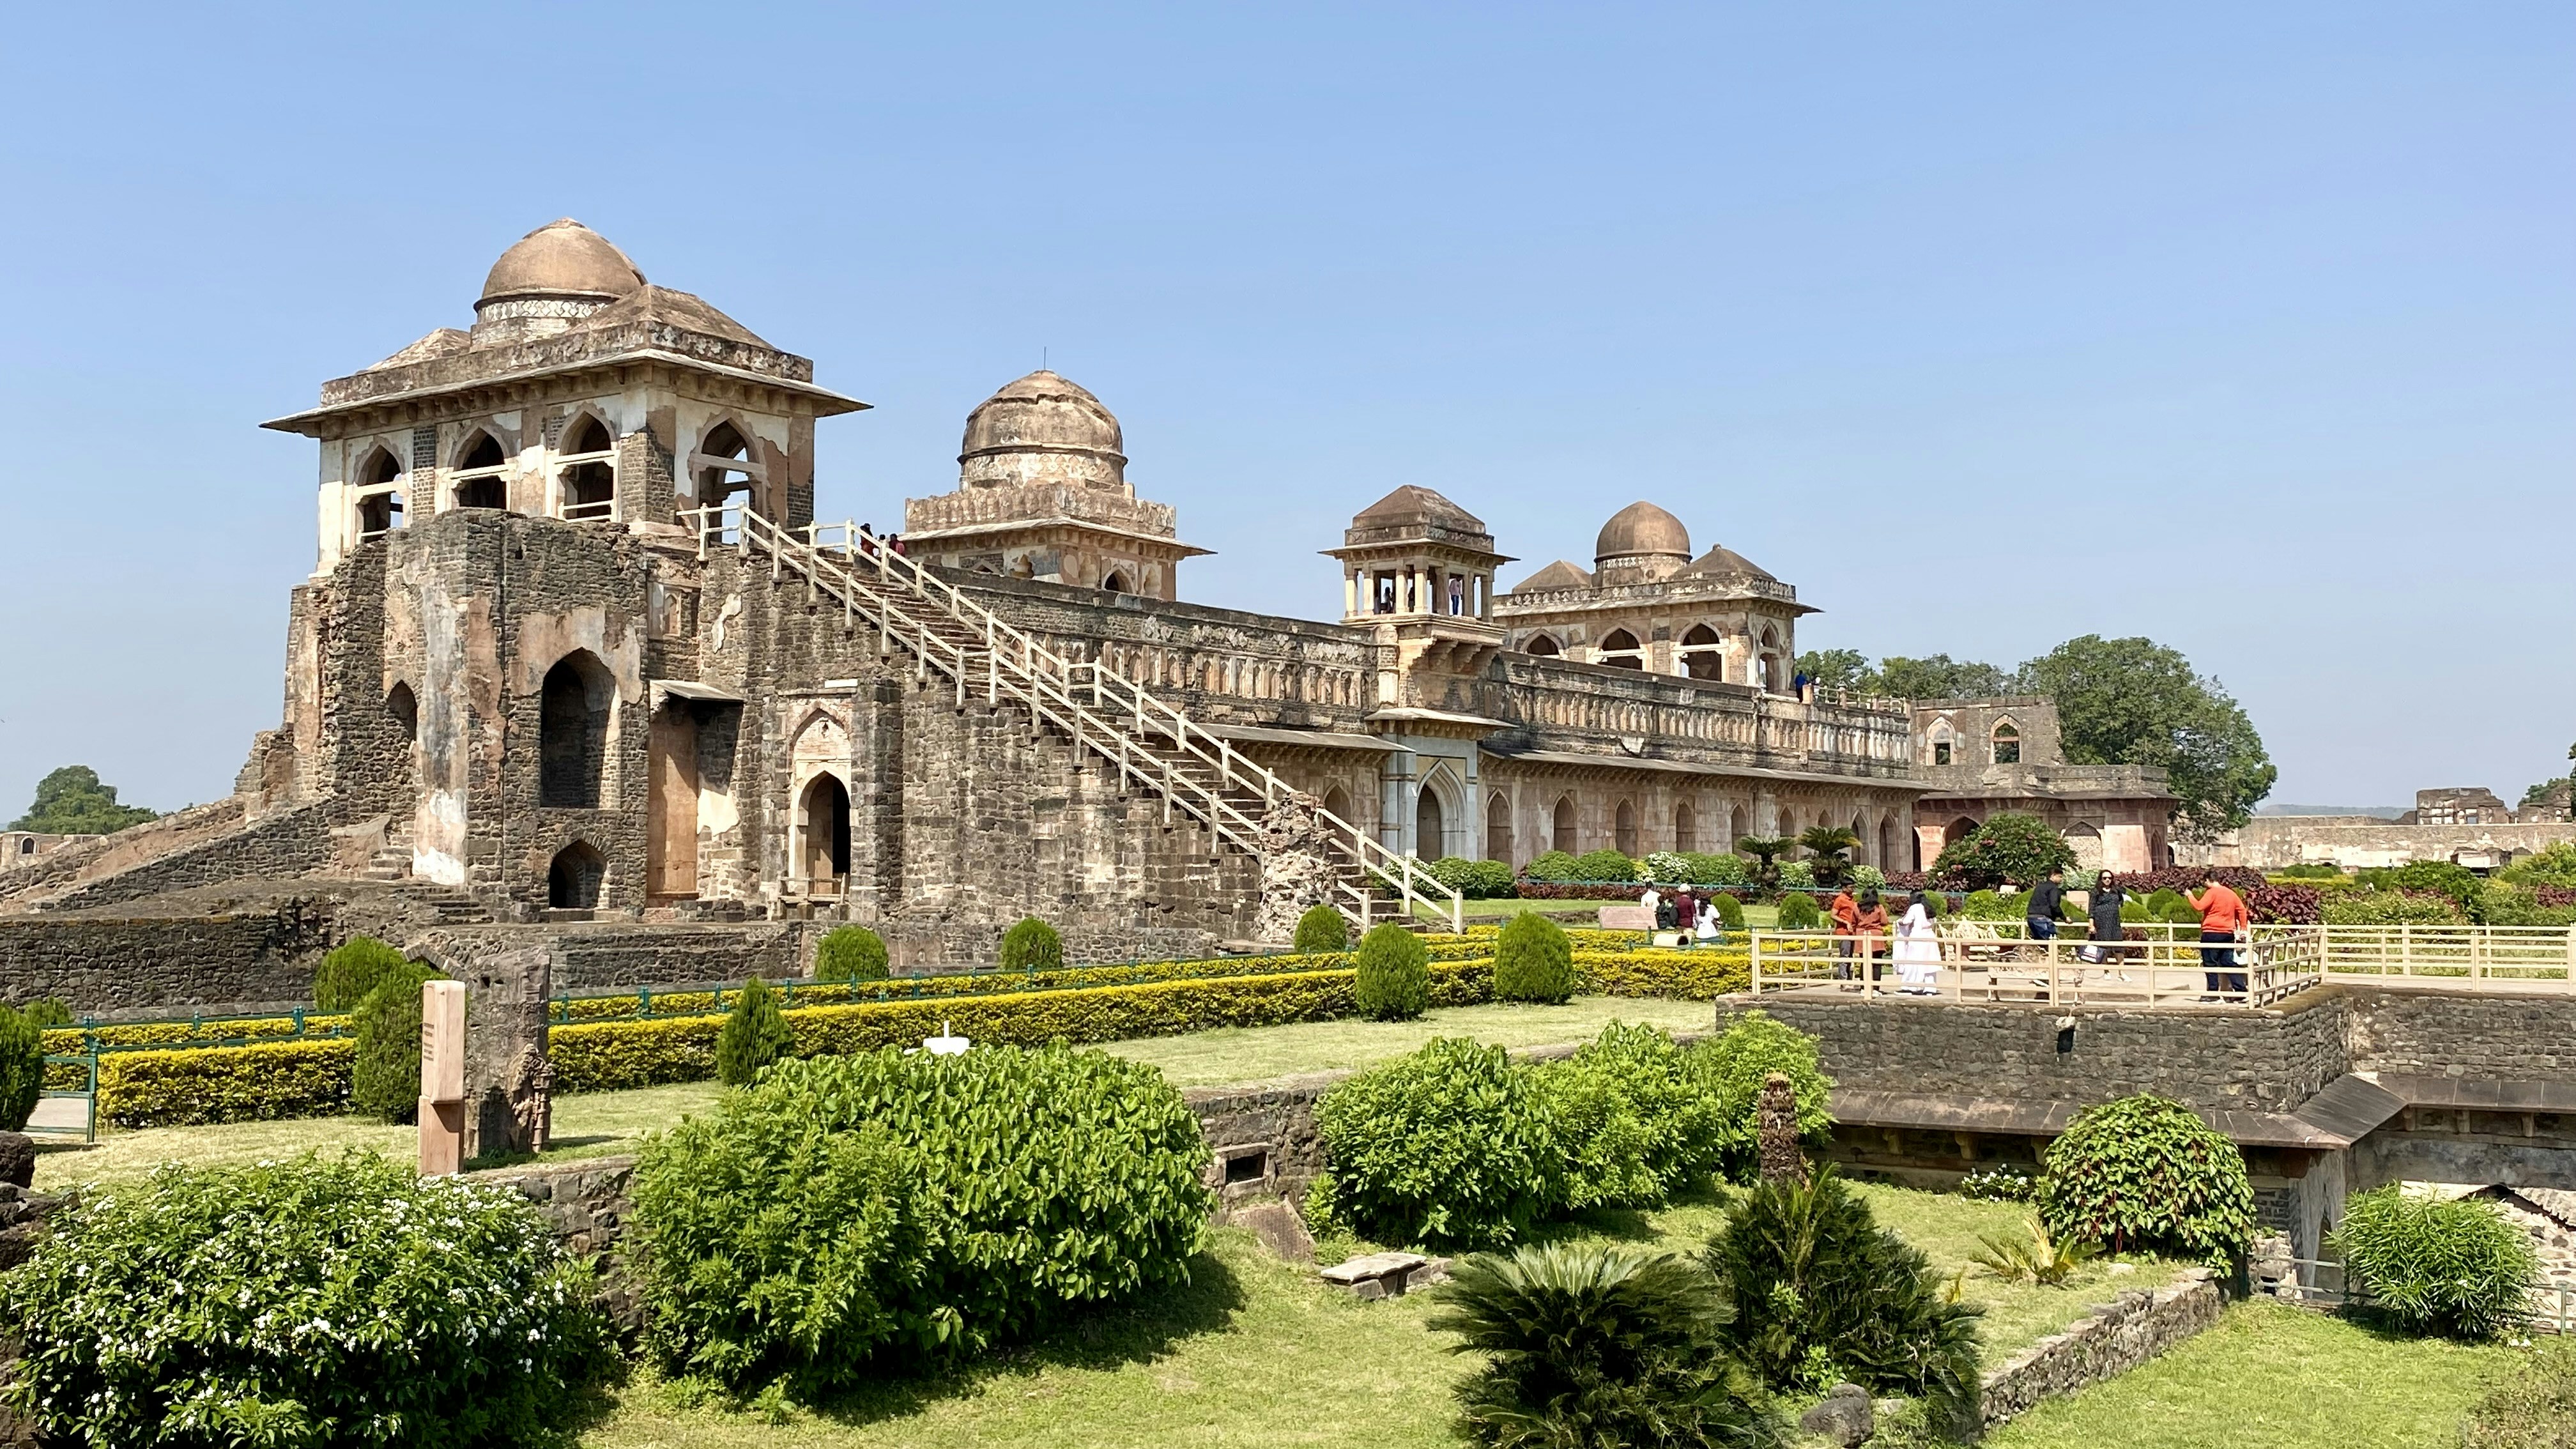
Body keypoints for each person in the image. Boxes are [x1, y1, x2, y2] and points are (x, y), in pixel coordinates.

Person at [2186, 870, 2252, 999]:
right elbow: (2242, 910)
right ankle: (2241, 991)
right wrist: (2243, 928)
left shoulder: (2212, 892)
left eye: (2204, 882)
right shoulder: (2230, 893)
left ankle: (2213, 994)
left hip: (2212, 932)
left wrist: (2190, 896)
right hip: (2228, 932)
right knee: (2227, 961)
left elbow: (2199, 906)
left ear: (2208, 880)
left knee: (2210, 963)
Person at [1893, 891, 1941, 993]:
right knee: (1930, 963)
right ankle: (1930, 989)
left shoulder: (1915, 908)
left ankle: (1909, 987)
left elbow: (1906, 921)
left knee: (1913, 963)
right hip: (1930, 937)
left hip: (1917, 938)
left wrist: (1899, 922)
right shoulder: (1928, 908)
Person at [2081, 870, 2128, 970]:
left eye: (2109, 878)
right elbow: (2091, 910)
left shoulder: (2116, 890)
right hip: (2102, 923)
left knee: (2119, 947)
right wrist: (2091, 925)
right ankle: (2106, 971)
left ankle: (2121, 972)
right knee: (2103, 948)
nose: (2107, 880)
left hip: (2114, 923)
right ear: (2101, 879)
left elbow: (2121, 901)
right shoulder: (2096, 892)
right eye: (2105, 878)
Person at [1853, 889, 1889, 986]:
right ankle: (1876, 988)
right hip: (1876, 936)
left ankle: (1863, 987)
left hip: (1862, 936)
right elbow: (1885, 921)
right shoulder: (1879, 907)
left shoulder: (1857, 907)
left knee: (1864, 962)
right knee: (1877, 963)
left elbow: (1853, 922)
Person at [2025, 868, 2066, 945]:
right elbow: (2054, 905)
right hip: (2043, 919)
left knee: (2039, 945)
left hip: (2031, 918)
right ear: (2053, 876)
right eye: (2060, 877)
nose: (2061, 879)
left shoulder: (2039, 887)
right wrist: (2064, 918)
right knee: (2052, 944)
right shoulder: (2053, 888)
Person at [1829, 886, 1860, 982]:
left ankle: (1849, 979)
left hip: (1852, 932)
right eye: (1851, 887)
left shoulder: (1852, 900)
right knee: (1845, 955)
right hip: (1844, 931)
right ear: (1844, 888)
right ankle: (1844, 980)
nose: (1853, 889)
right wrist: (1845, 922)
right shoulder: (1840, 900)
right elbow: (1833, 915)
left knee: (1850, 956)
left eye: (1853, 887)